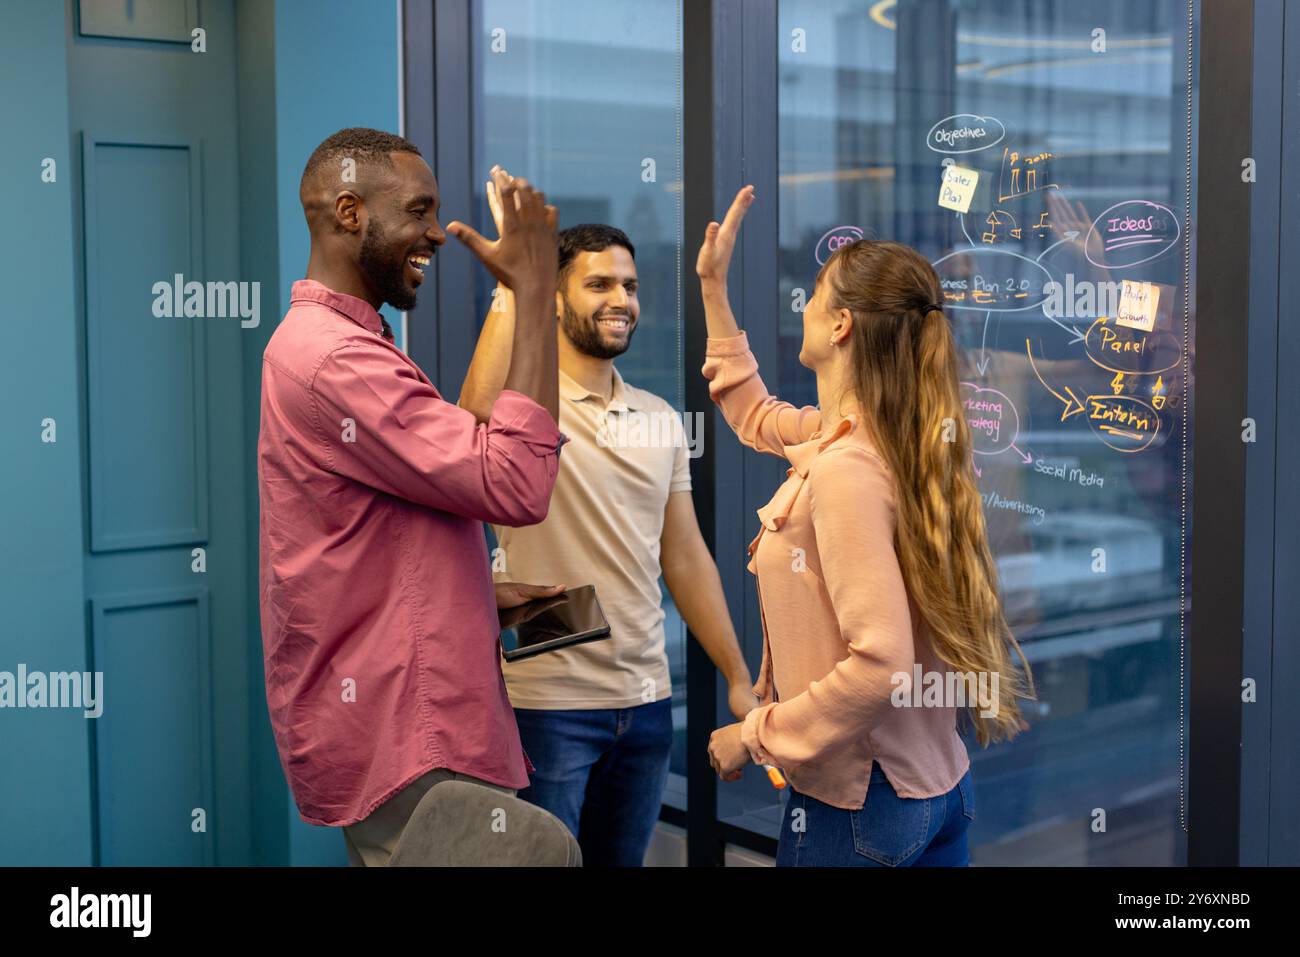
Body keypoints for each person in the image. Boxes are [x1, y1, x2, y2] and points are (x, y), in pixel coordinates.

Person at [258, 129, 569, 867]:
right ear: (349, 213)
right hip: (410, 731)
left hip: (398, 720)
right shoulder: (338, 359)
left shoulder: (332, 343)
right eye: (419, 210)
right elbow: (517, 482)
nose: (435, 232)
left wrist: (472, 592)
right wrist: (533, 294)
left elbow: (367, 535)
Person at [699, 186, 1035, 867]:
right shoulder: (874, 439)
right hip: (934, 785)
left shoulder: (846, 468)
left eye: (815, 294)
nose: (805, 306)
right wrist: (712, 285)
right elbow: (753, 411)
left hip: (860, 804)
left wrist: (754, 734)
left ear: (842, 324)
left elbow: (880, 662)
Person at [458, 172, 756, 866]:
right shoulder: (526, 414)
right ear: (555, 299)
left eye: (630, 285)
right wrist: (514, 282)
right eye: (599, 285)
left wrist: (737, 674)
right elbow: (474, 417)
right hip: (547, 708)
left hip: (647, 705)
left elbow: (684, 557)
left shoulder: (657, 418)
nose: (621, 299)